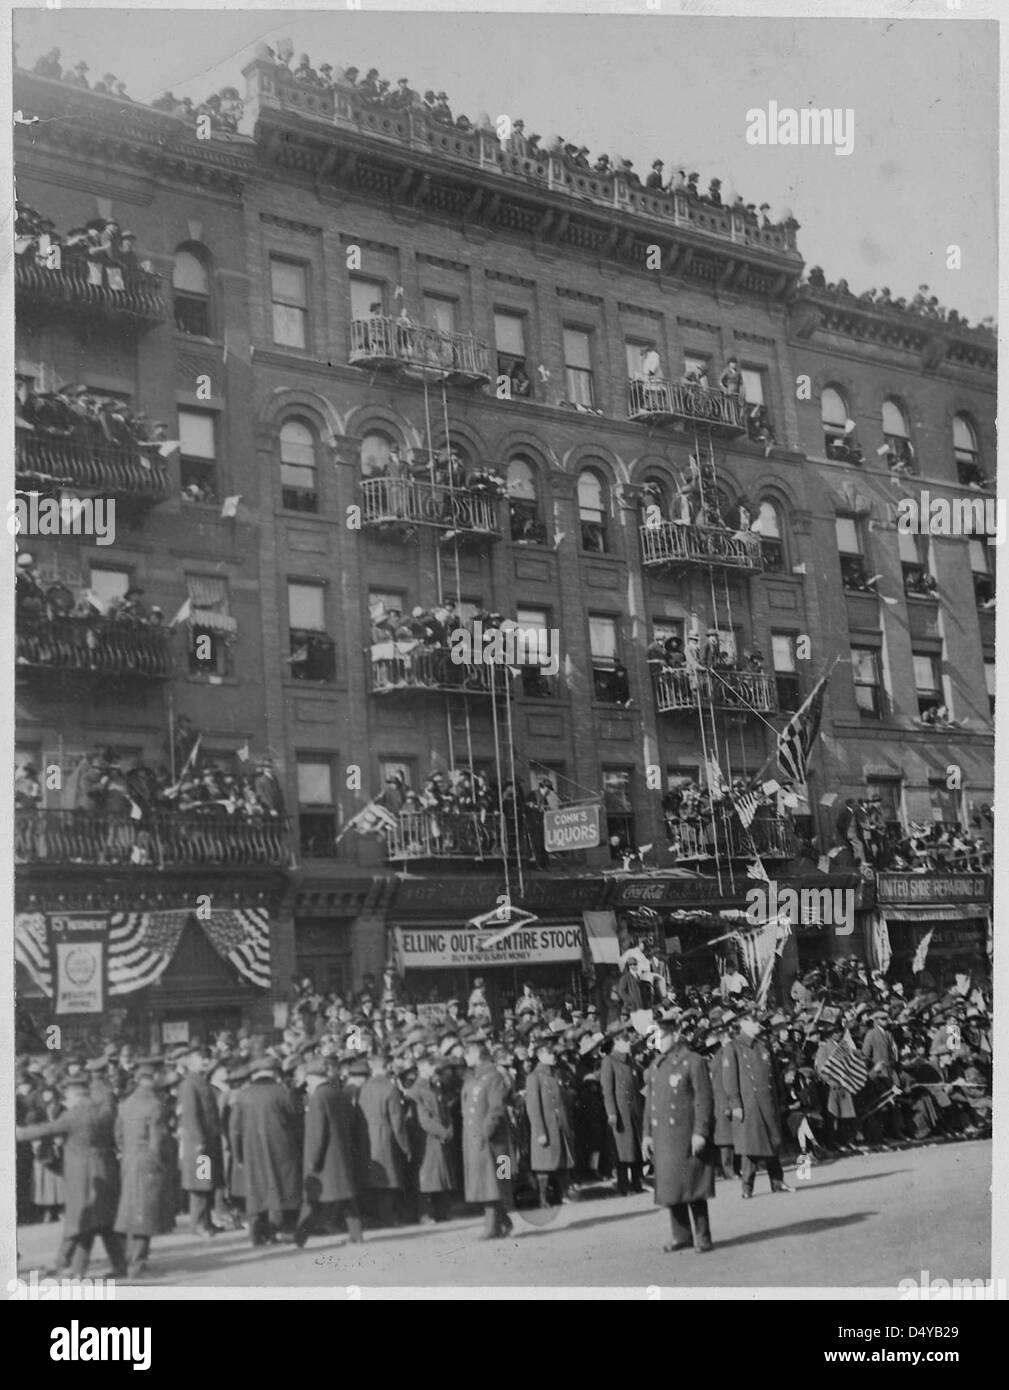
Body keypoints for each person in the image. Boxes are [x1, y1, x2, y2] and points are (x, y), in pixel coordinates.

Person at [15, 1074, 127, 1277]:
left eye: (67, 1096)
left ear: (74, 1095)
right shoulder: (104, 1113)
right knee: (105, 1223)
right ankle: (118, 1266)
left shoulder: (73, 1115)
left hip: (81, 1176)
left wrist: (19, 1133)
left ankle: (76, 1270)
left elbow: (47, 1129)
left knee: (83, 1222)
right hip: (106, 1170)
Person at [642, 1013, 716, 1253]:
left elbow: (703, 1100)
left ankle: (702, 1236)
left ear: (675, 1035)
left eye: (662, 1037)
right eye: (656, 1037)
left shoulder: (693, 1061)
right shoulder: (656, 1065)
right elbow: (649, 1104)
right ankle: (681, 1235)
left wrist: (700, 1132)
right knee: (672, 1187)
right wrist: (647, 1135)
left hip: (686, 1135)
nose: (658, 1042)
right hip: (664, 1138)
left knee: (694, 1186)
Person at [228, 1055, 302, 1245]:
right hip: (282, 1148)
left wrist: (238, 1154)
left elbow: (234, 1128)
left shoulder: (243, 1095)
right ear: (274, 1072)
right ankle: (282, 1229)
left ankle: (257, 1233)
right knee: (282, 1186)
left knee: (256, 1189)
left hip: (252, 1150)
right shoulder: (283, 1092)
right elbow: (296, 1121)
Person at [721, 1008, 793, 1198]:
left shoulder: (764, 1044)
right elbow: (729, 1079)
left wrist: (781, 1100)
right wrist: (735, 1103)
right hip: (749, 1103)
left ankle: (777, 1182)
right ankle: (747, 1186)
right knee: (751, 1147)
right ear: (744, 1024)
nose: (758, 1025)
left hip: (768, 1102)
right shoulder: (733, 1047)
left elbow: (775, 1076)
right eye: (754, 1022)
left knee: (772, 1143)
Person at [295, 1056, 364, 1247]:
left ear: (312, 1077)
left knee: (312, 1199)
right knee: (347, 1197)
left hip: (324, 1159)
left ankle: (299, 1238)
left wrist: (312, 1162)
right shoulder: (337, 1093)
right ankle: (356, 1235)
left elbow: (316, 1134)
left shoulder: (318, 1097)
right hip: (340, 1155)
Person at [113, 1058, 167, 1278]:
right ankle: (138, 1263)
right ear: (153, 1078)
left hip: (129, 1159)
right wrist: (159, 1163)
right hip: (147, 1160)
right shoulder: (155, 1105)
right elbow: (157, 1141)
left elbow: (117, 1134)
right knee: (145, 1210)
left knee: (130, 1209)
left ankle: (128, 1259)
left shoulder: (126, 1103)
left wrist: (127, 1151)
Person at [461, 1039, 514, 1239]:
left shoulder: (493, 1076)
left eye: (468, 1052)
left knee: (494, 1181)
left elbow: (496, 1108)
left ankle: (493, 1226)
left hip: (493, 1141)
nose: (465, 1056)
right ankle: (504, 1223)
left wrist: (485, 1132)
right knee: (486, 1182)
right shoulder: (473, 1078)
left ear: (476, 1053)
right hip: (476, 1140)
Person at [357, 1050, 411, 1226]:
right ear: (387, 1067)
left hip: (367, 1139)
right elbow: (397, 1122)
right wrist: (405, 1147)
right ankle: (389, 1218)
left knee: (374, 1179)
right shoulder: (390, 1088)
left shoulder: (364, 1087)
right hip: (385, 1138)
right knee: (389, 1179)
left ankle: (377, 1218)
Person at [177, 1047, 225, 1236]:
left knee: (207, 1182)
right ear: (190, 1062)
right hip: (199, 1144)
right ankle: (198, 1223)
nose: (205, 1062)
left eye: (206, 1058)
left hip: (207, 1141)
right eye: (200, 1059)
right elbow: (190, 1116)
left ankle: (206, 1221)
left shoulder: (200, 1082)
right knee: (200, 1184)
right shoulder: (189, 1085)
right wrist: (198, 1142)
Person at [405, 1056, 456, 1222]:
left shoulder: (434, 1087)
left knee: (440, 1176)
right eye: (430, 1064)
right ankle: (425, 1214)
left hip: (439, 1138)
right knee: (427, 1178)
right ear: (421, 1066)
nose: (433, 1068)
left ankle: (442, 1212)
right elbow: (424, 1119)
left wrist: (449, 1128)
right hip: (427, 1140)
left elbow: (445, 1111)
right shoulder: (416, 1091)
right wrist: (444, 1132)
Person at [525, 1041, 576, 1207]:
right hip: (546, 1126)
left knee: (561, 1161)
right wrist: (540, 1131)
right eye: (549, 1053)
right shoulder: (534, 1078)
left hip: (559, 1126)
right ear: (540, 1056)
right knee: (544, 1165)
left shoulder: (556, 1074)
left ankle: (563, 1193)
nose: (553, 1056)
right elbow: (533, 1107)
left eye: (553, 1053)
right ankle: (543, 1198)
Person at [600, 1027, 644, 1194]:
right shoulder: (609, 1062)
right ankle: (623, 1185)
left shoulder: (631, 1061)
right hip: (621, 1111)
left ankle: (637, 1182)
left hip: (634, 1110)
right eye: (624, 1040)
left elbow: (639, 1085)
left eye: (628, 1040)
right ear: (616, 1042)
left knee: (636, 1148)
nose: (628, 1043)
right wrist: (612, 1112)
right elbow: (608, 1089)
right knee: (623, 1150)